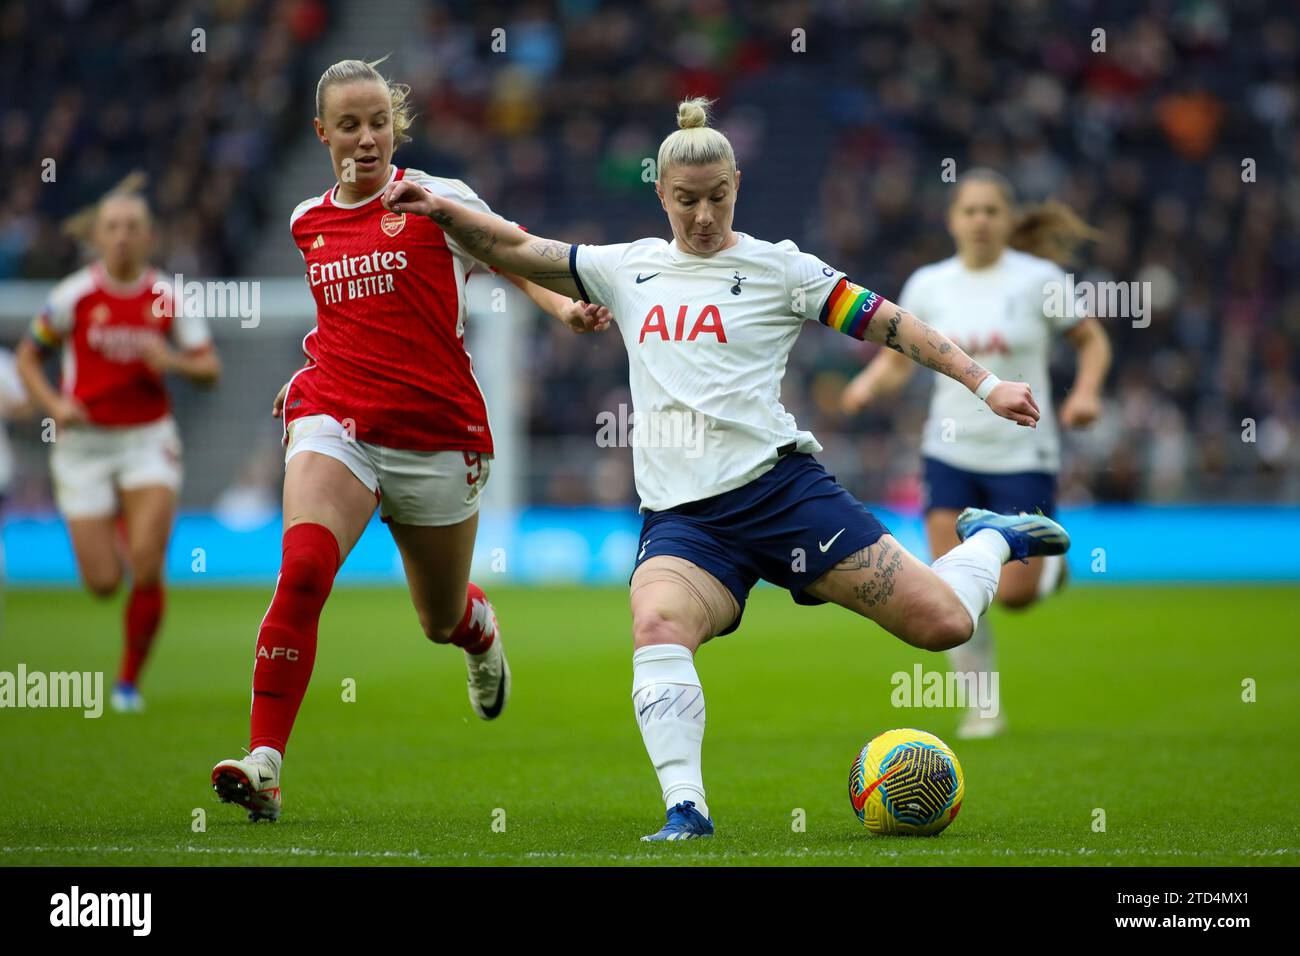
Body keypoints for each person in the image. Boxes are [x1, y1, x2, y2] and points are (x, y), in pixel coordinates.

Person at [381, 97, 1073, 841]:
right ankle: (688, 809)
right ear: (661, 193)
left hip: (784, 495)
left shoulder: (781, 269)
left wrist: (984, 383)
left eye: (716, 198)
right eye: (686, 201)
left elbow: (895, 325)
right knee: (656, 623)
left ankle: (994, 538)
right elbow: (522, 249)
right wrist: (443, 209)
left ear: (736, 183)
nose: (702, 216)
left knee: (942, 624)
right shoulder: (627, 268)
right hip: (686, 523)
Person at [210, 58, 609, 822]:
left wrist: (563, 311)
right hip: (338, 423)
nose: (367, 139)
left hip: (437, 434)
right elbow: (345, 317)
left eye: (379, 123)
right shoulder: (305, 221)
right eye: (350, 126)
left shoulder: (440, 197)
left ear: (397, 126)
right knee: (301, 572)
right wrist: (307, 378)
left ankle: (477, 628)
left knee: (438, 619)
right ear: (321, 133)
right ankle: (265, 762)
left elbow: (510, 252)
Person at [841, 168, 1111, 738]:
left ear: (1009, 219)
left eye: (992, 210)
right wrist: (869, 387)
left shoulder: (1040, 279)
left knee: (1012, 597)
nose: (981, 220)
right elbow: (897, 360)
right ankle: (982, 708)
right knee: (953, 587)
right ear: (952, 220)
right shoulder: (929, 284)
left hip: (1023, 452)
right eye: (971, 210)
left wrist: (1085, 393)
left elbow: (1091, 340)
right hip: (950, 452)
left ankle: (1050, 569)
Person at [16, 177, 220, 712]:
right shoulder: (73, 296)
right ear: (99, 237)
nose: (123, 236)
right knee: (105, 582)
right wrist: (54, 406)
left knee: (148, 564)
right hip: (84, 446)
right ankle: (117, 518)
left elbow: (209, 368)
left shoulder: (168, 298)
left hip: (148, 441)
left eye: (133, 227)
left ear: (149, 236)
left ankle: (127, 683)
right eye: (113, 227)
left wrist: (171, 361)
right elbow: (27, 357)